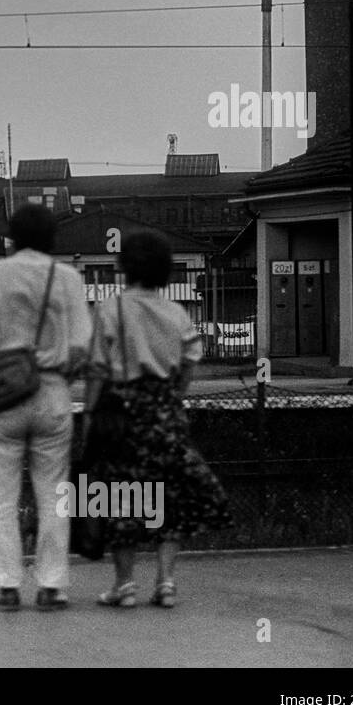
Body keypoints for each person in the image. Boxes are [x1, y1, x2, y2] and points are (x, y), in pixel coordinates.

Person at [85, 232, 232, 610]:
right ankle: (165, 582)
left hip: (123, 413)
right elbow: (188, 364)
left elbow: (98, 370)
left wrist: (89, 415)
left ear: (125, 267)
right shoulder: (176, 312)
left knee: (122, 496)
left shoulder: (110, 309)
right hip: (166, 413)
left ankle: (125, 585)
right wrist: (170, 398)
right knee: (171, 497)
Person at [0, 205, 90, 611]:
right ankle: (52, 586)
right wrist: (58, 377)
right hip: (53, 392)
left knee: (2, 492)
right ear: (53, 238)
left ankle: (7, 585)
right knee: (54, 493)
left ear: (12, 238)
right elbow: (79, 349)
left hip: (6, 395)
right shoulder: (68, 279)